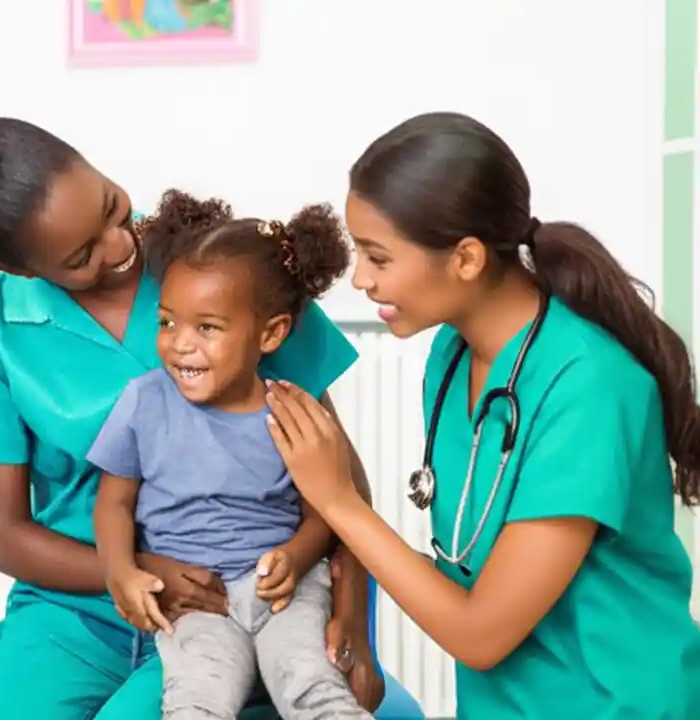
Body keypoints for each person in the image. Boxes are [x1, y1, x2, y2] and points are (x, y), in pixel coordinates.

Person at [0, 91, 422, 718]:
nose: (118, 246)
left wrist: (353, 622)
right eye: (81, 256)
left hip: (231, 596)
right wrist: (132, 569)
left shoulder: (220, 266)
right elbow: (6, 535)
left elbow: (338, 482)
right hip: (72, 613)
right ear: (17, 269)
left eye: (111, 206)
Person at [264, 111, 700, 719]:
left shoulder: (590, 386)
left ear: (466, 258)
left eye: (379, 258)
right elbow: (468, 573)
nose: (360, 279)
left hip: (613, 703)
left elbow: (481, 633)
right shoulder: (450, 356)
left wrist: (339, 502)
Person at [88, 189, 372, 720]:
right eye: (167, 321)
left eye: (208, 328)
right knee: (196, 699)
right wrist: (120, 571)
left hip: (283, 592)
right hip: (198, 605)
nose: (180, 344)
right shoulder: (143, 402)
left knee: (310, 685)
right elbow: (113, 505)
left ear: (270, 334)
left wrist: (298, 556)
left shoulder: (290, 409)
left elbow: (326, 514)